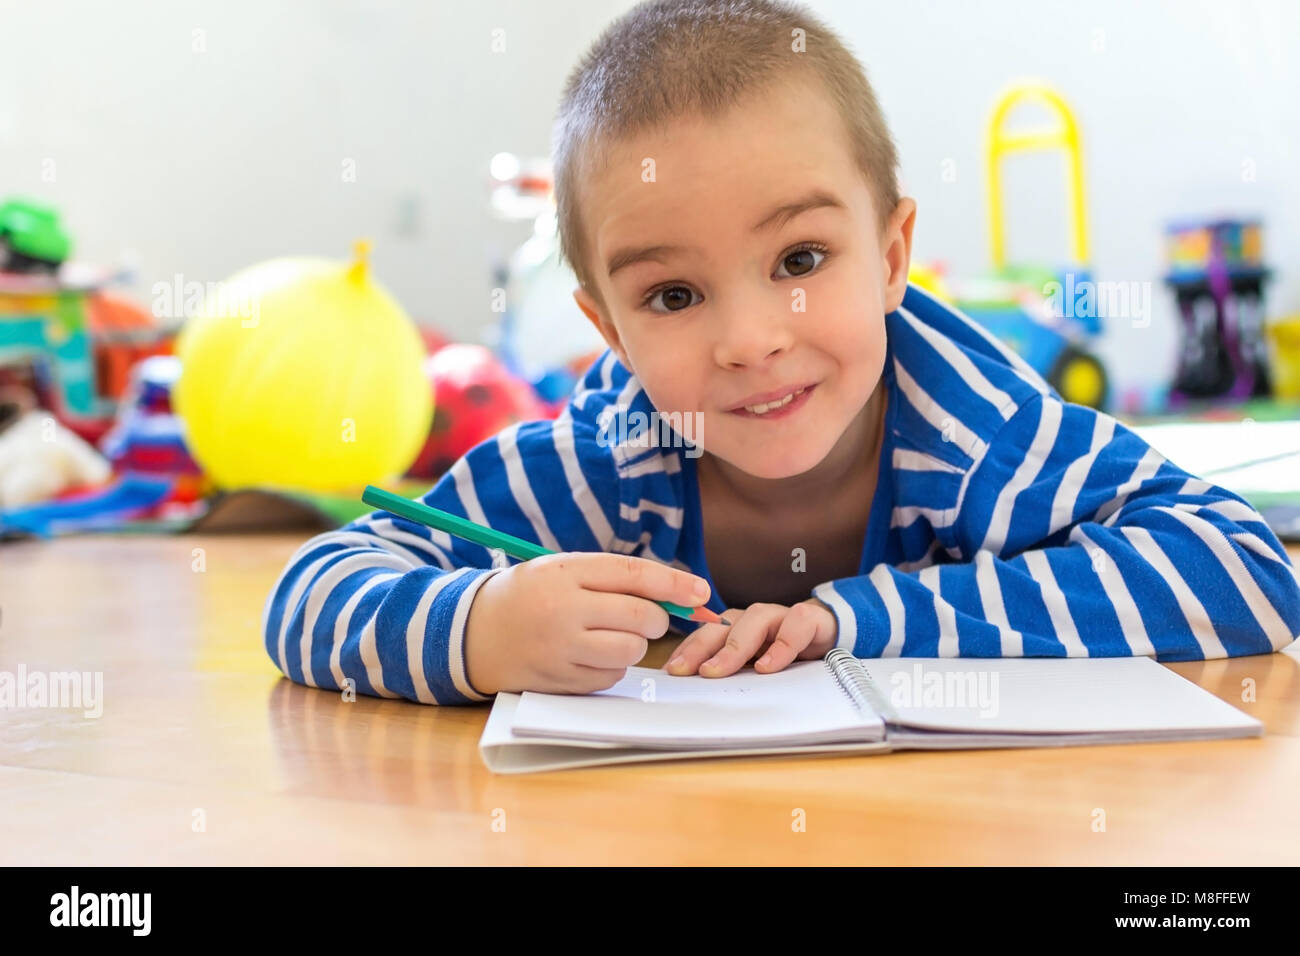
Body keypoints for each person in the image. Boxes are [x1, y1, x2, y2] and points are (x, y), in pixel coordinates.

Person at [262, 0, 1300, 705]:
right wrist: (478, 628)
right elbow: (311, 590)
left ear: (892, 257)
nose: (750, 339)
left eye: (800, 255)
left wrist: (861, 617)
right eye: (672, 294)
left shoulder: (976, 431)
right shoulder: (596, 465)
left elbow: (1247, 572)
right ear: (609, 332)